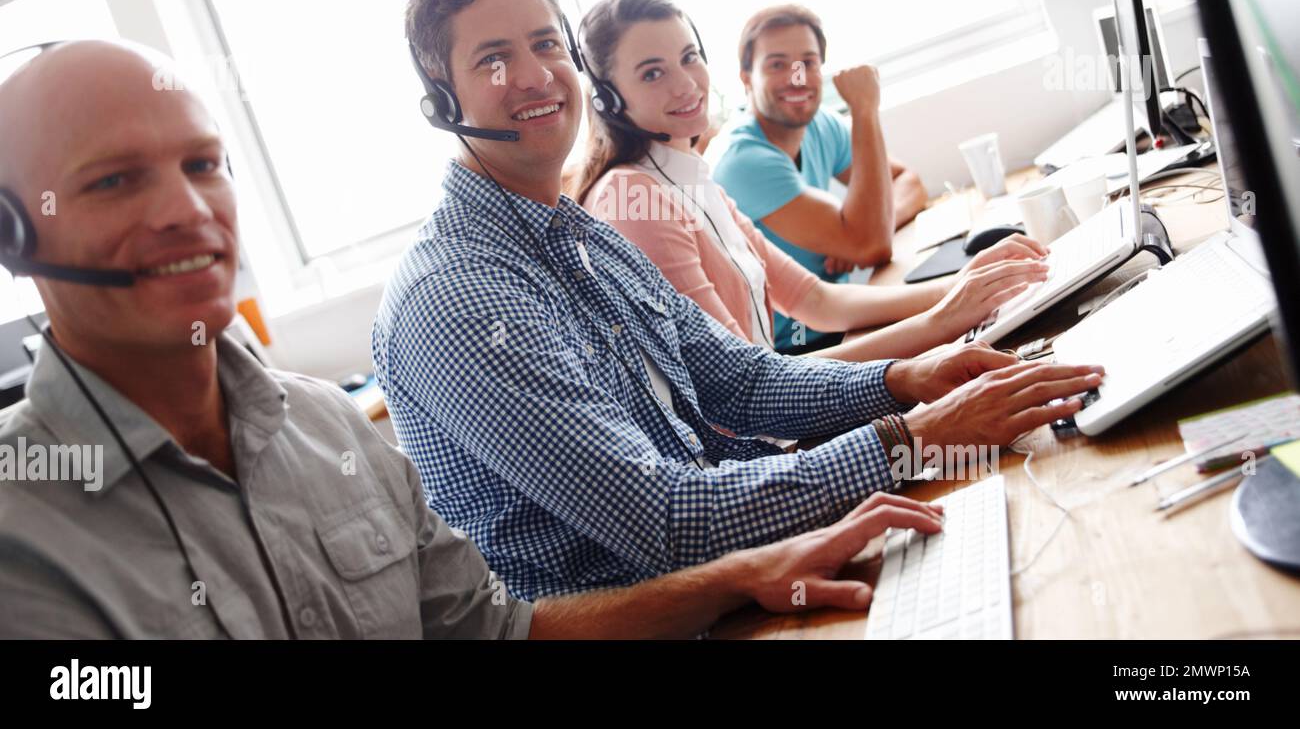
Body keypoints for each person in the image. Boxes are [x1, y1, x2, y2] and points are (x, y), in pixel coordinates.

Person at [0, 40, 949, 639]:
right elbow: (661, 516)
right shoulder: (22, 530)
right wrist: (910, 426)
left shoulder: (329, 434)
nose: (186, 210)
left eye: (203, 164)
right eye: (115, 182)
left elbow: (492, 632)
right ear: (15, 233)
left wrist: (742, 578)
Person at [372, 0, 1104, 602]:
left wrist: (906, 381)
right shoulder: (458, 297)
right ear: (442, 98)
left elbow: (744, 379)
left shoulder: (579, 233)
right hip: (684, 604)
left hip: (743, 562)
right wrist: (913, 436)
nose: (534, 76)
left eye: (544, 45)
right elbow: (662, 516)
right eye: (494, 59)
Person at [569, 0, 1047, 361]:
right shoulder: (632, 198)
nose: (686, 83)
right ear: (608, 97)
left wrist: (964, 283)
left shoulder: (689, 176)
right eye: (652, 73)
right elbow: (749, 382)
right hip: (760, 452)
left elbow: (814, 299)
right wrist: (940, 322)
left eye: (689, 57)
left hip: (784, 410)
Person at [710, 4, 927, 353]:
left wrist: (855, 235)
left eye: (807, 63)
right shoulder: (742, 160)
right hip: (796, 349)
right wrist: (864, 109)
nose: (797, 77)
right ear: (746, 77)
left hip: (845, 313)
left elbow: (908, 182)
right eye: (777, 64)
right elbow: (872, 245)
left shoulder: (819, 124)